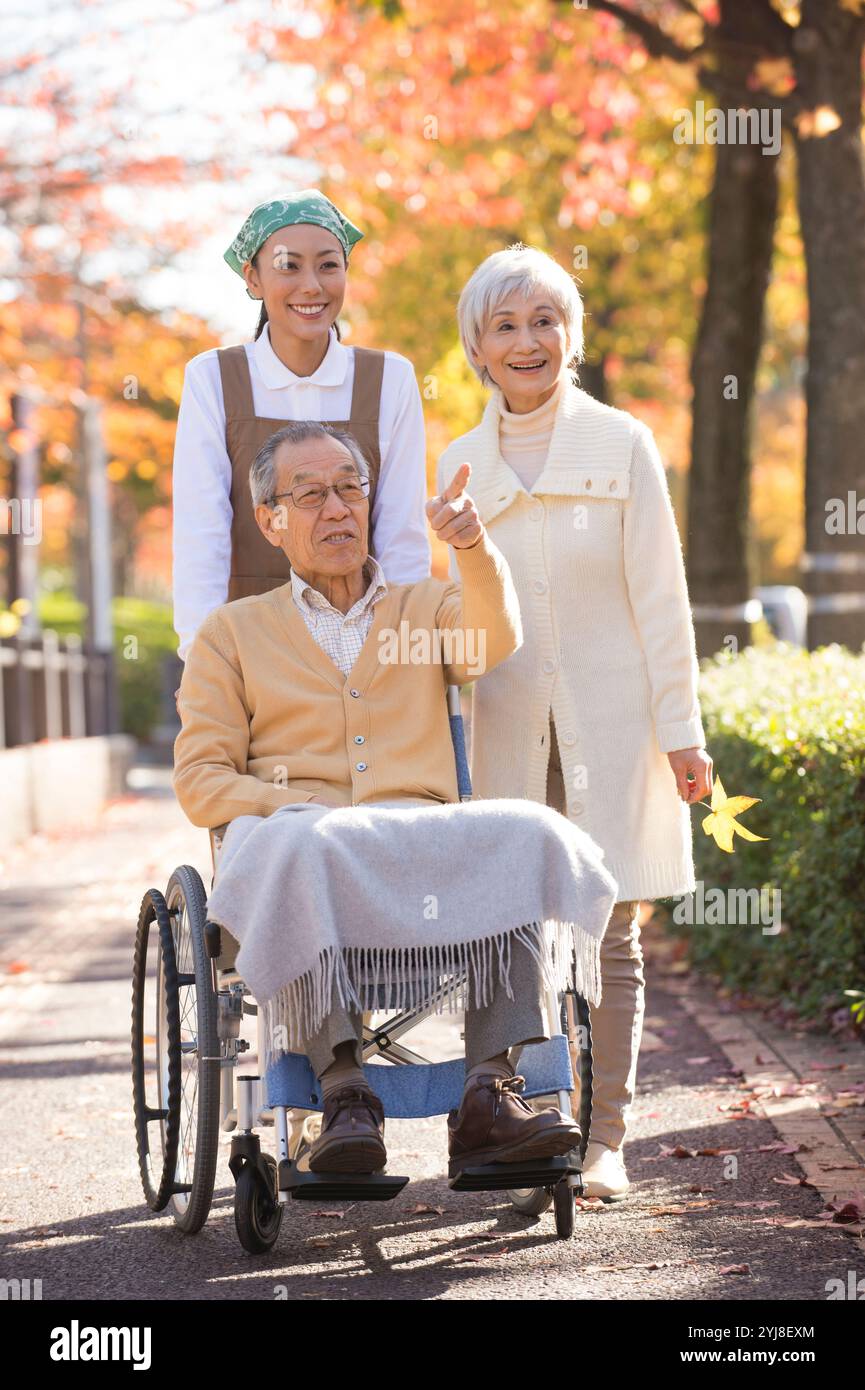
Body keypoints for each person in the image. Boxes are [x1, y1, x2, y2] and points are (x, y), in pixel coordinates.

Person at [173, 419, 582, 1174]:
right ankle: (342, 1092)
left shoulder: (422, 612)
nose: (336, 509)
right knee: (302, 841)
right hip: (301, 853)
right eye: (311, 495)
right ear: (270, 520)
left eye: (349, 488)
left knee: (519, 830)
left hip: (416, 853)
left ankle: (491, 1094)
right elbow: (200, 780)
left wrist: (469, 547)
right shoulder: (230, 634)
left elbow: (491, 641)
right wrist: (295, 811)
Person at [437, 243, 714, 1201]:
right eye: (505, 325)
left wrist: (683, 731)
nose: (527, 341)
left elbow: (662, 601)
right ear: (477, 346)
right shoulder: (461, 465)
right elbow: (458, 620)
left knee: (611, 935)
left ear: (572, 334)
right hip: (507, 725)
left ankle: (607, 1140)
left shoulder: (621, 443)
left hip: (614, 724)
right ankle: (511, 1116)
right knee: (506, 928)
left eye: (545, 321)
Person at [171, 189, 431, 671]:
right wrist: (203, 663)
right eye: (289, 266)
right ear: (253, 278)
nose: (311, 285)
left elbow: (402, 537)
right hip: (249, 654)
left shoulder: (389, 379)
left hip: (364, 655)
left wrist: (406, 661)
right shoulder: (214, 379)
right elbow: (201, 537)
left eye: (329, 266)